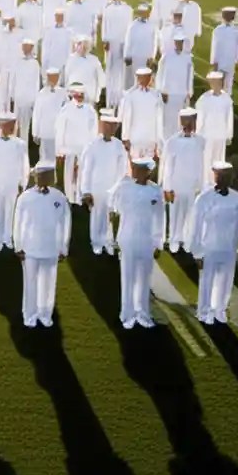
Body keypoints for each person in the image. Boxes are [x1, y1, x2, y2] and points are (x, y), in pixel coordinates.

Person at [110, 158, 165, 329]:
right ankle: (127, 315)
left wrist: (158, 242)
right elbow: (112, 203)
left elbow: (160, 218)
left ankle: (142, 314)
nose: (135, 171)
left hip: (147, 239)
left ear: (147, 171)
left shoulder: (155, 190)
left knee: (143, 278)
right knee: (127, 277)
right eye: (134, 168)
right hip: (128, 238)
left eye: (139, 169)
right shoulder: (124, 187)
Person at [189, 162, 238, 325]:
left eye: (227, 176)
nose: (223, 179)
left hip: (228, 247)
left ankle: (220, 310)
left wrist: (235, 244)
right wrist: (197, 252)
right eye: (220, 175)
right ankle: (204, 311)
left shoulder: (237, 199)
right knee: (207, 281)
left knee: (226, 281)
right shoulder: (204, 198)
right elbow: (196, 226)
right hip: (209, 247)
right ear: (214, 176)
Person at [15, 164, 71, 327]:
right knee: (30, 283)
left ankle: (45, 314)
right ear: (36, 177)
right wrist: (18, 246)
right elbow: (18, 223)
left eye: (49, 175)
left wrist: (63, 247)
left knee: (48, 283)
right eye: (43, 175)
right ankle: (30, 315)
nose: (47, 178)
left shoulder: (59, 197)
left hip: (51, 247)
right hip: (30, 248)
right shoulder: (25, 197)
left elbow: (65, 223)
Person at [79, 111, 129, 255]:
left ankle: (108, 242)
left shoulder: (119, 146)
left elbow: (122, 168)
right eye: (108, 126)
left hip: (113, 187)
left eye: (114, 126)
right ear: (102, 126)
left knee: (111, 215)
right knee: (97, 216)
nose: (111, 129)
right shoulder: (92, 145)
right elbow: (86, 170)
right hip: (97, 187)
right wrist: (86, 190)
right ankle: (96, 243)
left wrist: (120, 187)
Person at [0, 114, 30, 252]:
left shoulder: (20, 144)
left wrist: (23, 182)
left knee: (11, 210)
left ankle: (8, 237)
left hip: (12, 182)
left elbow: (24, 164)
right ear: (2, 126)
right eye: (10, 125)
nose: (13, 127)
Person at [160, 109, 206, 253]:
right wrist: (167, 187)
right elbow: (168, 166)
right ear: (181, 122)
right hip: (177, 183)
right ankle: (174, 239)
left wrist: (201, 184)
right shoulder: (172, 142)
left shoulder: (200, 141)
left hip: (192, 184)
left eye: (192, 120)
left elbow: (201, 163)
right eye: (186, 120)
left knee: (191, 213)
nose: (190, 124)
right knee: (176, 213)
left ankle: (187, 240)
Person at [54, 83, 98, 204]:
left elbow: (93, 131)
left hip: (84, 149)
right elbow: (60, 130)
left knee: (82, 177)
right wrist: (59, 150)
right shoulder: (66, 109)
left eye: (81, 95)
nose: (79, 97)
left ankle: (79, 201)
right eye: (77, 95)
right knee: (68, 177)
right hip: (69, 149)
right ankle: (69, 200)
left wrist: (92, 148)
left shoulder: (90, 111)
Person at [195, 72, 233, 186]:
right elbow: (200, 118)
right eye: (215, 82)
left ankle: (217, 181)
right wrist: (198, 133)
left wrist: (229, 134)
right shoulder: (204, 99)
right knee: (207, 159)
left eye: (219, 82)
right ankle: (206, 182)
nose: (218, 84)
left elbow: (229, 117)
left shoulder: (226, 98)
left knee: (219, 158)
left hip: (221, 134)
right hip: (207, 134)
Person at [119, 68, 163, 161]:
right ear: (138, 79)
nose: (146, 80)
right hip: (135, 138)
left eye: (148, 77)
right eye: (143, 78)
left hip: (150, 138)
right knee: (135, 164)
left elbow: (159, 119)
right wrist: (125, 137)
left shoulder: (156, 95)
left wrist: (158, 140)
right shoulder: (131, 95)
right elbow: (127, 117)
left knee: (149, 166)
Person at [156, 34, 194, 139]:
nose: (179, 44)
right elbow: (160, 74)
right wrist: (162, 90)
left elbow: (190, 76)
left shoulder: (187, 58)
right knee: (168, 120)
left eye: (181, 42)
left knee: (180, 120)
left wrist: (189, 93)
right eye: (177, 42)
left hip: (181, 93)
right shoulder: (166, 57)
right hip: (169, 94)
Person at [101, 0, 133, 108]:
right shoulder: (108, 9)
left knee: (121, 71)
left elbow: (129, 28)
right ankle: (110, 101)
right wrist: (105, 40)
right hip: (111, 42)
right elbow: (105, 25)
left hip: (123, 42)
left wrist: (128, 43)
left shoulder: (127, 9)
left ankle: (120, 99)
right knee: (110, 70)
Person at [31, 68, 68, 164]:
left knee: (57, 159)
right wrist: (35, 132)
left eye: (55, 77)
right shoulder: (41, 94)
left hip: (58, 132)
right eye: (51, 78)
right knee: (44, 158)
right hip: (45, 131)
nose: (53, 80)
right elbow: (37, 114)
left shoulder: (63, 93)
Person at [210, 6, 238, 94]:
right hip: (220, 61)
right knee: (219, 83)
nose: (229, 17)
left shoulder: (237, 30)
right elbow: (214, 47)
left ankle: (227, 100)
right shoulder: (218, 30)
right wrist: (214, 61)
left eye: (231, 15)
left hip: (231, 61)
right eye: (227, 15)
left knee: (229, 83)